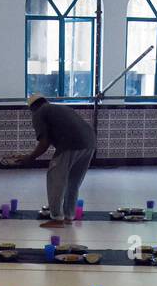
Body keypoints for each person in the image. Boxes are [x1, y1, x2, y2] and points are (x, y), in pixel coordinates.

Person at [6, 93, 96, 228]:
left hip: (70, 144)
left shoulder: (39, 113)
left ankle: (57, 218)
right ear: (45, 101)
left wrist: (29, 158)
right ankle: (69, 216)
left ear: (31, 108)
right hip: (90, 143)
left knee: (55, 178)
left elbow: (44, 142)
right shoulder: (60, 108)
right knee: (73, 182)